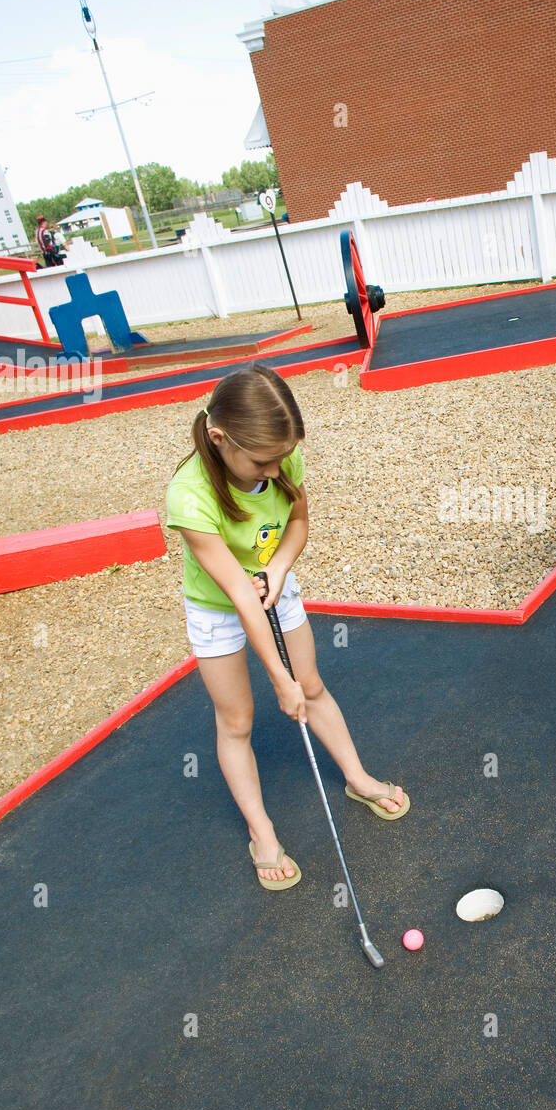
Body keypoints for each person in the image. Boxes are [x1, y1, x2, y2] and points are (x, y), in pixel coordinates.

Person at [165, 365, 408, 891]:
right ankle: (262, 831)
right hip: (218, 607)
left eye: (282, 459)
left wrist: (277, 568)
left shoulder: (280, 454)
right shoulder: (189, 497)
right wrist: (278, 678)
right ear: (219, 438)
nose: (276, 471)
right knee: (237, 719)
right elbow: (236, 595)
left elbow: (297, 521)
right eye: (263, 462)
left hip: (271, 582)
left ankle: (357, 778)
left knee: (312, 685)